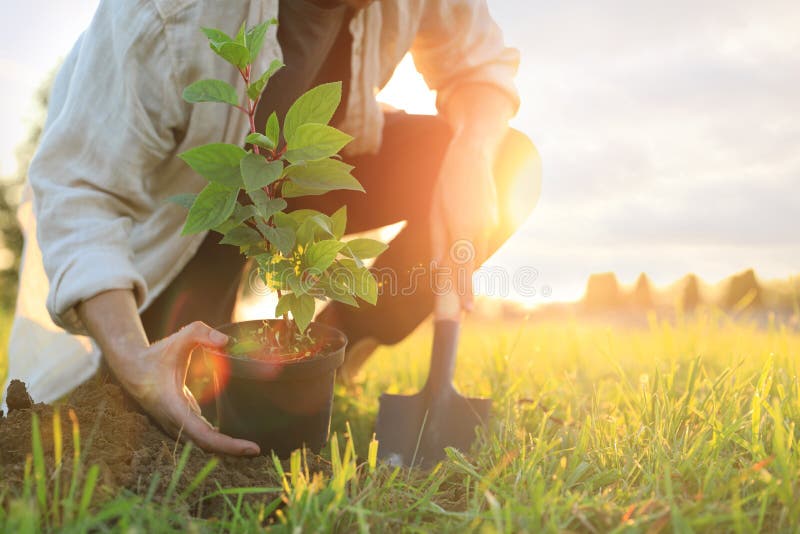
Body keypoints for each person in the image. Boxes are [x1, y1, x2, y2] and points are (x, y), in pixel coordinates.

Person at [9, 0, 540, 456]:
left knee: (507, 163)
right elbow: (78, 189)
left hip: (310, 162)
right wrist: (136, 360)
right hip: (188, 207)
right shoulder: (167, 14)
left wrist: (471, 154)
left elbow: (478, 67)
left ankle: (340, 349)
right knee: (185, 394)